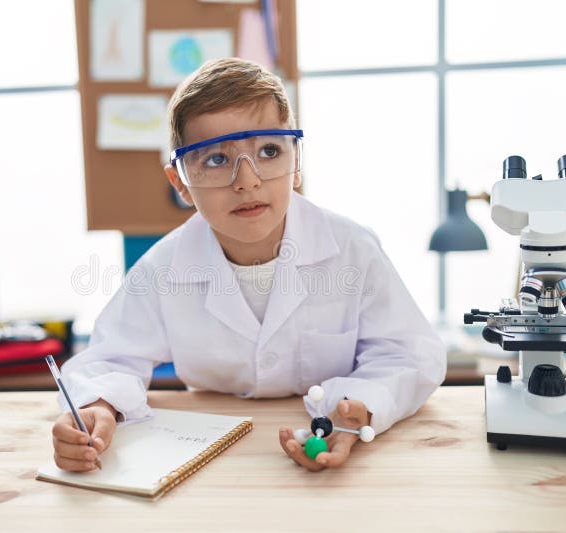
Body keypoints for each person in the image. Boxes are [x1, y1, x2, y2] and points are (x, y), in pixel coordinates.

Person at [52, 58, 445, 473]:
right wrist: (96, 407)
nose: (247, 181)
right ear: (181, 183)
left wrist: (360, 406)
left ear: (296, 162)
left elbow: (408, 356)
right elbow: (109, 359)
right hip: (211, 458)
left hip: (338, 451)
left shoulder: (352, 249)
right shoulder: (162, 269)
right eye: (217, 159)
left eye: (269, 151)